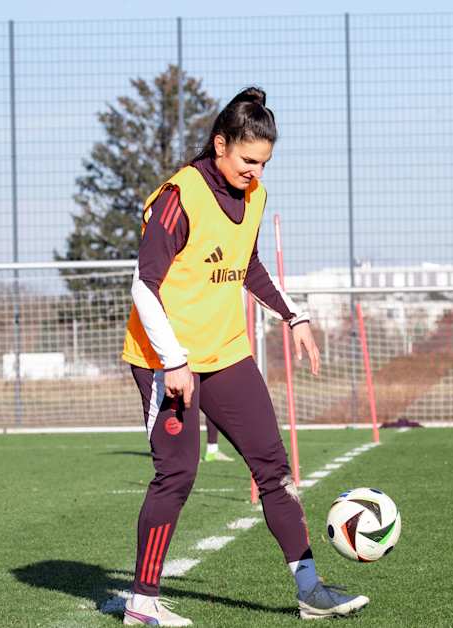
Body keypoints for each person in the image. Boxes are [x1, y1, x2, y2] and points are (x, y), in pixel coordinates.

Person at [119, 87, 369, 626]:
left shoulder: (254, 194)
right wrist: (173, 360)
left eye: (264, 163)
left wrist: (293, 315)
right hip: (166, 358)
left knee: (274, 470)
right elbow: (145, 286)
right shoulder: (178, 196)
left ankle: (310, 589)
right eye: (247, 160)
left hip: (227, 352)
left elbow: (246, 264)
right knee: (177, 475)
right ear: (220, 145)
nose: (255, 172)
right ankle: (141, 602)